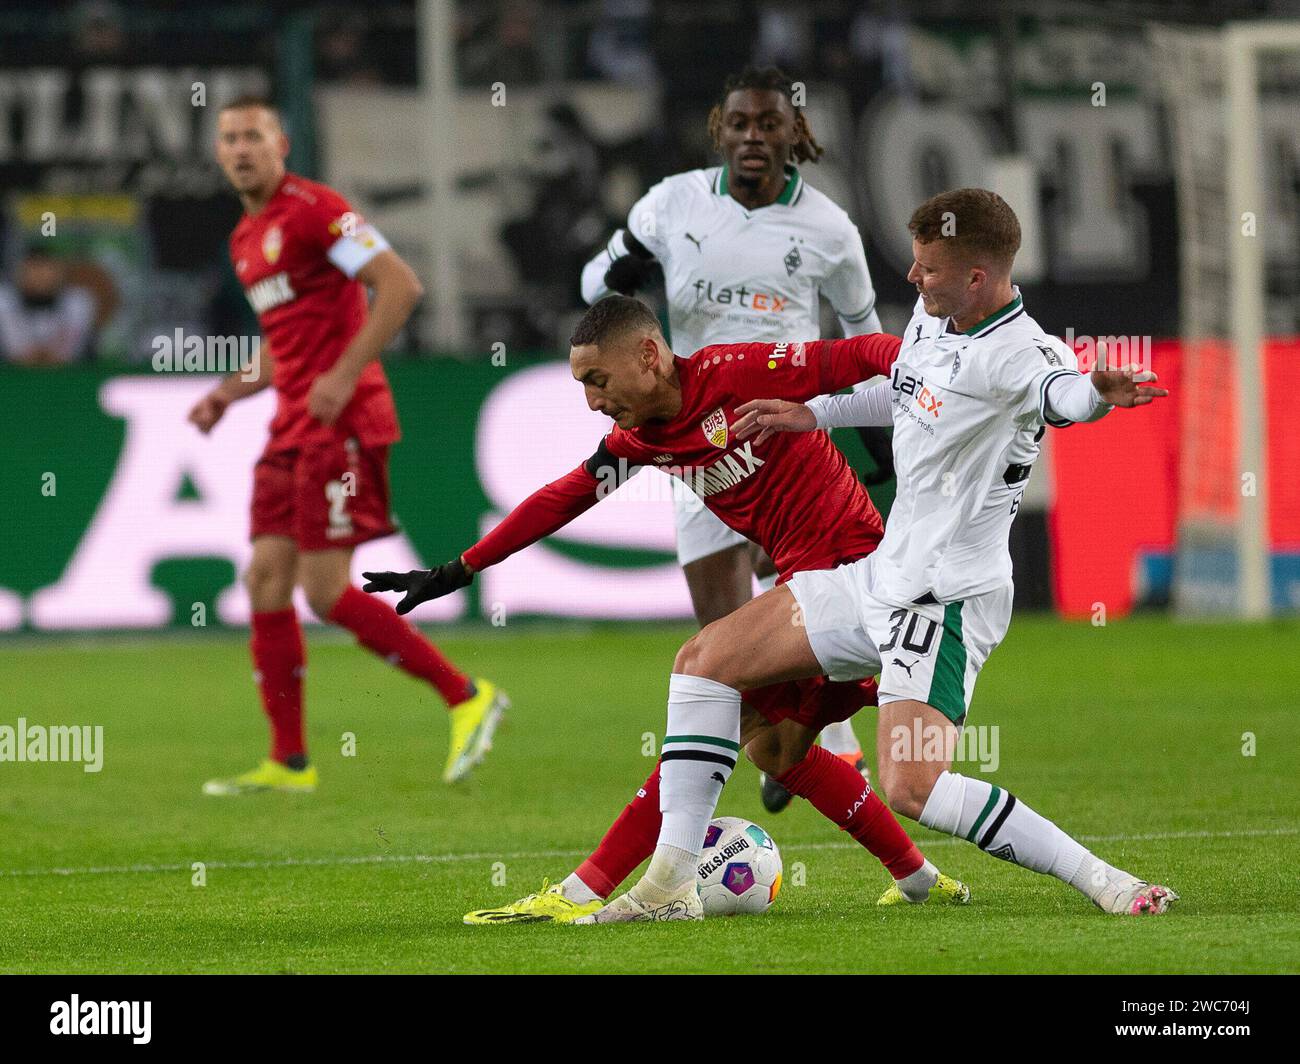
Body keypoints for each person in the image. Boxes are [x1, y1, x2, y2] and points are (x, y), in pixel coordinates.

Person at [576, 188, 1178, 922]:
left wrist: (1098, 391)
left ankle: (1108, 882)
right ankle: (667, 887)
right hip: (878, 579)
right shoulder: (934, 318)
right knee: (704, 663)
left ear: (979, 277)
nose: (914, 280)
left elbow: (1062, 394)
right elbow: (907, 388)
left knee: (914, 789)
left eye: (928, 268)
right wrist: (816, 411)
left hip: (947, 600)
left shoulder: (1025, 354)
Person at [364, 295, 969, 923]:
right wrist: (460, 569)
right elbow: (559, 500)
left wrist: (933, 377)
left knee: (711, 710)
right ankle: (921, 879)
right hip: (808, 588)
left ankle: (589, 892)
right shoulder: (639, 441)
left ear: (649, 356)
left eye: (597, 380)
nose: (592, 401)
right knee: (777, 753)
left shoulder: (740, 372)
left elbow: (858, 353)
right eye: (582, 386)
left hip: (852, 575)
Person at [580, 66, 883, 812]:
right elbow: (597, 286)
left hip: (775, 435)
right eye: (741, 124)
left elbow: (864, 337)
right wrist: (616, 273)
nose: (754, 137)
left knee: (799, 610)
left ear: (793, 133)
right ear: (720, 129)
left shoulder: (829, 229)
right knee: (722, 637)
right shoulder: (671, 203)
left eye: (770, 124)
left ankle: (832, 747)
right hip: (689, 434)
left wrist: (874, 448)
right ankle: (797, 744)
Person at [190, 95, 506, 795]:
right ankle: (290, 761)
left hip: (343, 422)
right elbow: (282, 347)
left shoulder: (316, 210)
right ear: (219, 153)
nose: (241, 148)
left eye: (254, 136)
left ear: (282, 146)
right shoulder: (246, 239)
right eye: (230, 138)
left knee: (325, 591)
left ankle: (466, 695)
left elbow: (399, 285)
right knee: (264, 578)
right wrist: (224, 393)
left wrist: (344, 371)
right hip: (291, 426)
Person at [0, 246, 96, 365]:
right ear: (19, 273)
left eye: (46, 270)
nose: (39, 277)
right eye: (33, 270)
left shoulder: (78, 301)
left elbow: (64, 355)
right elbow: (17, 352)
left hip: (66, 376)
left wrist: (47, 356)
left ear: (60, 273)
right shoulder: (3, 300)